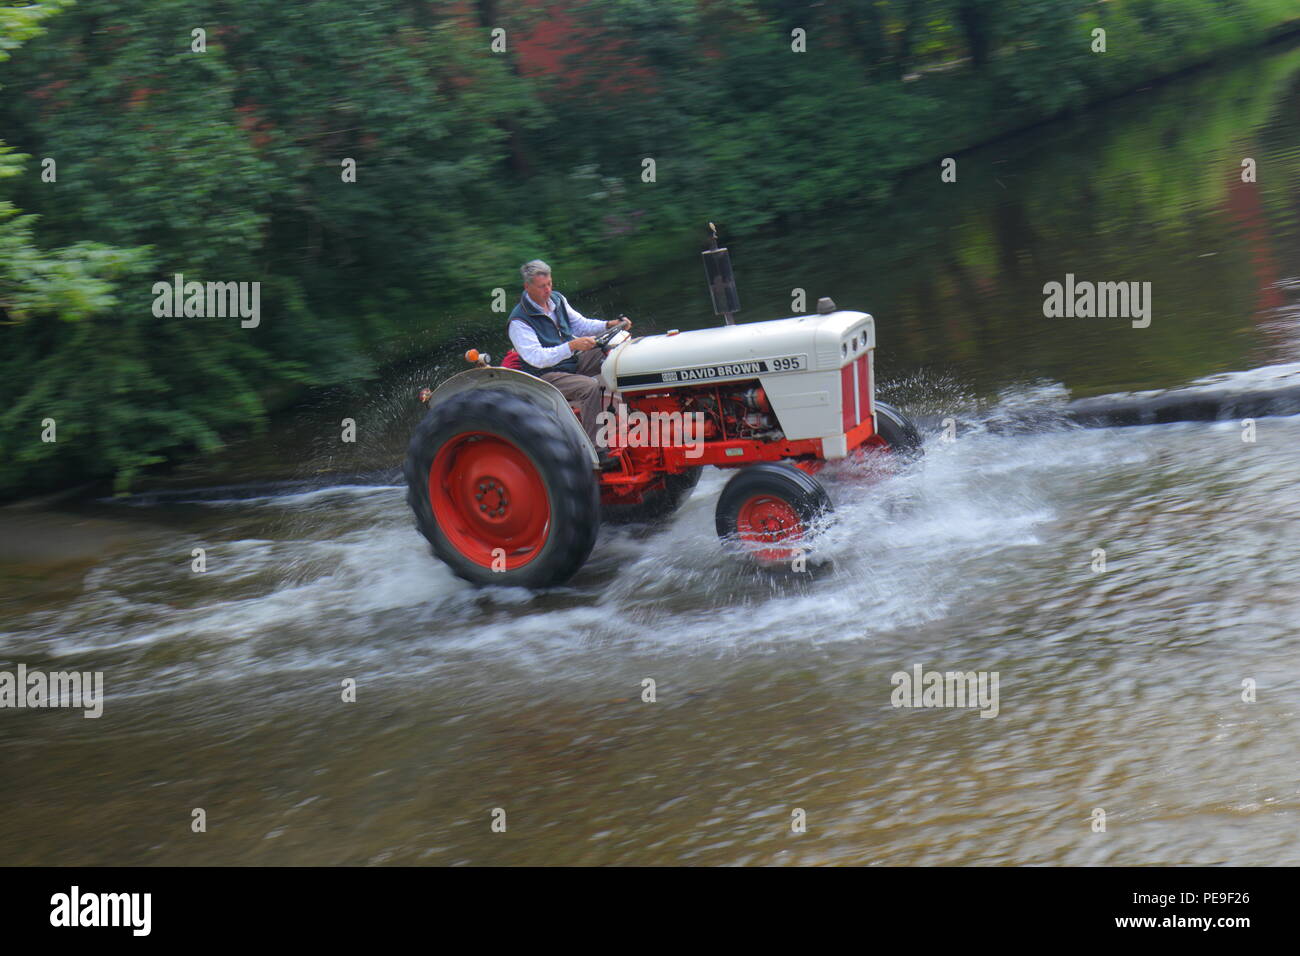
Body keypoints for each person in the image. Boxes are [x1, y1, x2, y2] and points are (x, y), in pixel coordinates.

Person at [507, 259, 631, 449]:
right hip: (544, 376)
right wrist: (571, 346)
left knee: (618, 353)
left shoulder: (557, 300)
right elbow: (537, 359)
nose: (548, 290)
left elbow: (581, 326)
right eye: (542, 286)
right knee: (590, 387)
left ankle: (633, 417)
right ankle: (596, 450)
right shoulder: (519, 321)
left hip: (570, 361)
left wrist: (609, 324)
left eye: (549, 284)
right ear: (527, 287)